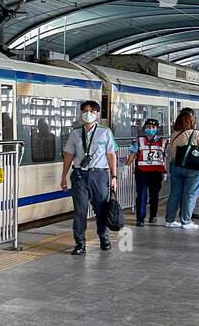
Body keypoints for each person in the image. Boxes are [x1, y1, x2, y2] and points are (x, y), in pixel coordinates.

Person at [59, 99, 118, 254]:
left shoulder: (105, 132)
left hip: (99, 175)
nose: (88, 114)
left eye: (91, 111)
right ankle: (80, 243)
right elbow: (68, 155)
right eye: (85, 111)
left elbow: (111, 155)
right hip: (79, 175)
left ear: (97, 114)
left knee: (101, 209)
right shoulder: (75, 133)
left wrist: (114, 177)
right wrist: (64, 176)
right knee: (80, 210)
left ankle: (103, 237)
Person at [165, 108, 199, 228]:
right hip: (193, 169)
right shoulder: (196, 134)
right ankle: (186, 221)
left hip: (175, 167)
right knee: (190, 194)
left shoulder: (174, 135)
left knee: (175, 193)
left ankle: (169, 220)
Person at [126, 117, 167, 226]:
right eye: (148, 127)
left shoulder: (163, 142)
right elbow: (133, 154)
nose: (150, 129)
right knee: (141, 195)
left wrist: (165, 171)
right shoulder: (138, 141)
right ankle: (140, 218)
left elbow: (164, 158)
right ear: (145, 128)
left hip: (156, 173)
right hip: (142, 172)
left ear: (157, 129)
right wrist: (126, 166)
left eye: (153, 127)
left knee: (154, 196)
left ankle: (153, 215)